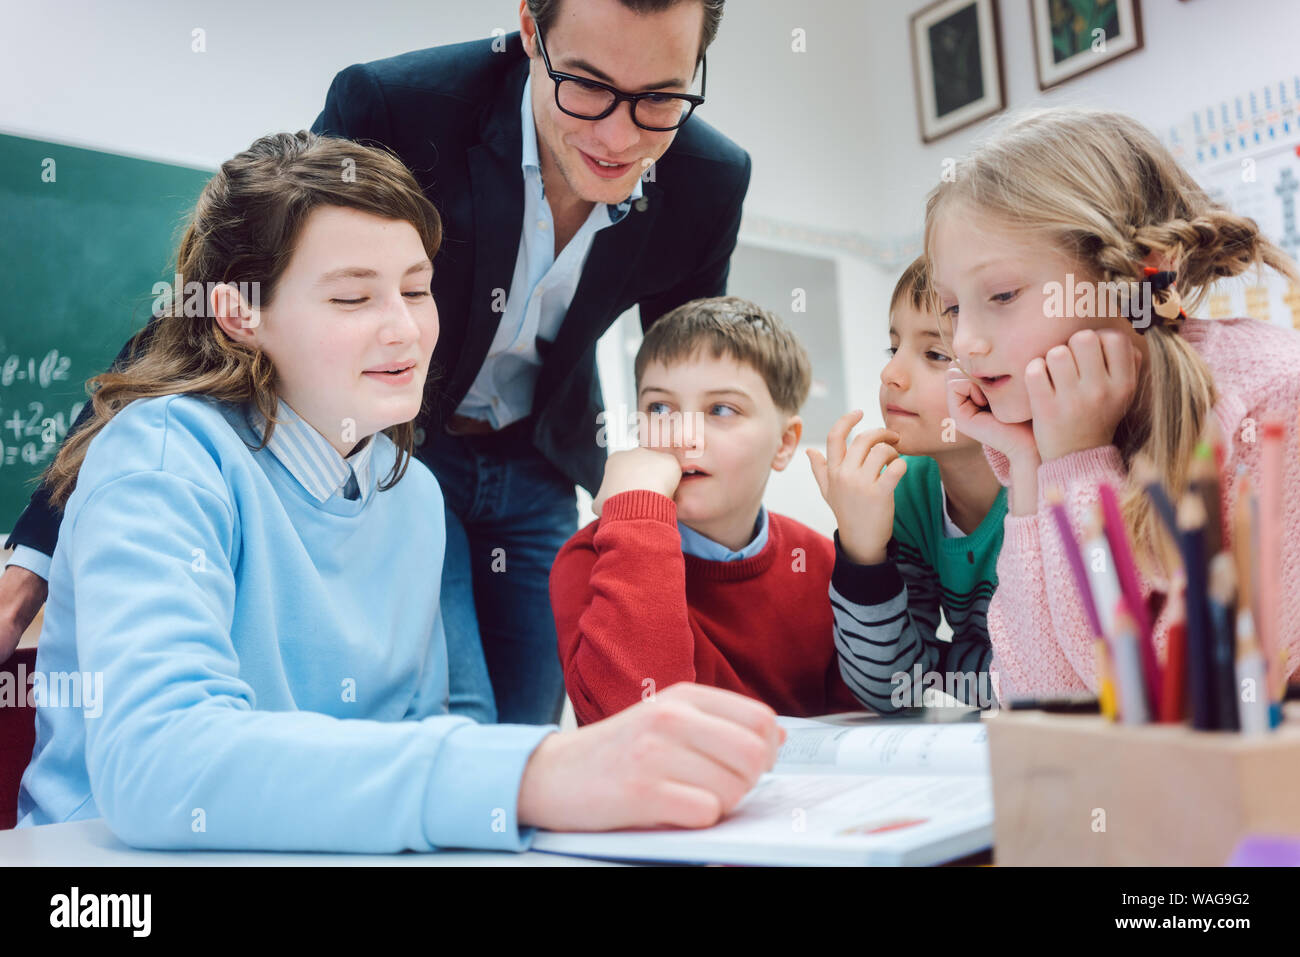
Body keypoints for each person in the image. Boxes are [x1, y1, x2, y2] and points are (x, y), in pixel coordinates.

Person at [15, 131, 782, 850]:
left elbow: (416, 727)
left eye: (416, 291)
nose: (405, 330)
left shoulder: (411, 493)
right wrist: (538, 772)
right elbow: (160, 763)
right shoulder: (164, 457)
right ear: (239, 313)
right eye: (353, 298)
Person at [1, 0, 751, 730]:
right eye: (586, 86)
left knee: (524, 726)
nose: (620, 133)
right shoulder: (403, 106)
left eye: (658, 97)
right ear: (530, 26)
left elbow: (687, 366)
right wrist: (38, 549)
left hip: (538, 457)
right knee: (463, 714)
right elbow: (224, 282)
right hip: (404, 448)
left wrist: (696, 536)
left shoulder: (709, 176)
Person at [929, 108, 1300, 699]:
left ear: (1122, 279)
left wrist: (1076, 463)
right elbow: (1037, 697)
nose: (965, 343)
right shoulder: (1054, 427)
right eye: (952, 308)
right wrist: (1034, 466)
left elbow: (1167, 702)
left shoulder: (1273, 403)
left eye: (1001, 294)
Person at [550, 297, 861, 724]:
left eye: (721, 410)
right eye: (660, 408)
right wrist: (637, 515)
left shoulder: (823, 564)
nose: (685, 435)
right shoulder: (589, 559)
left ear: (785, 443)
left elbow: (859, 732)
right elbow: (643, 724)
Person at [810, 257, 1006, 713]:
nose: (890, 374)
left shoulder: (1049, 487)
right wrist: (863, 554)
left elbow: (1056, 685)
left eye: (935, 355)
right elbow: (891, 688)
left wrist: (937, 666)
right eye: (892, 348)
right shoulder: (905, 491)